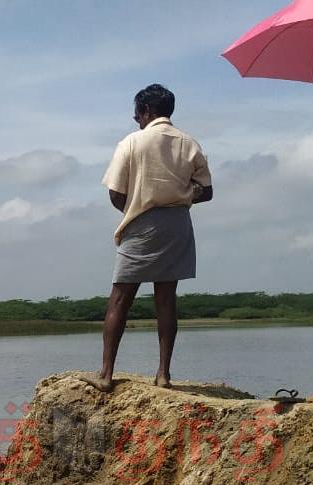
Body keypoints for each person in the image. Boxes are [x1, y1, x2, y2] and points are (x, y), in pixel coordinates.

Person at [81, 83, 213, 393]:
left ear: (146, 111)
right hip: (178, 223)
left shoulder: (132, 142)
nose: (135, 118)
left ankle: (105, 374)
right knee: (166, 299)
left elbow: (115, 193)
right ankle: (164, 374)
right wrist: (180, 194)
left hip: (141, 222)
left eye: (136, 112)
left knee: (120, 298)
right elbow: (206, 191)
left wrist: (136, 207)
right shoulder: (188, 142)